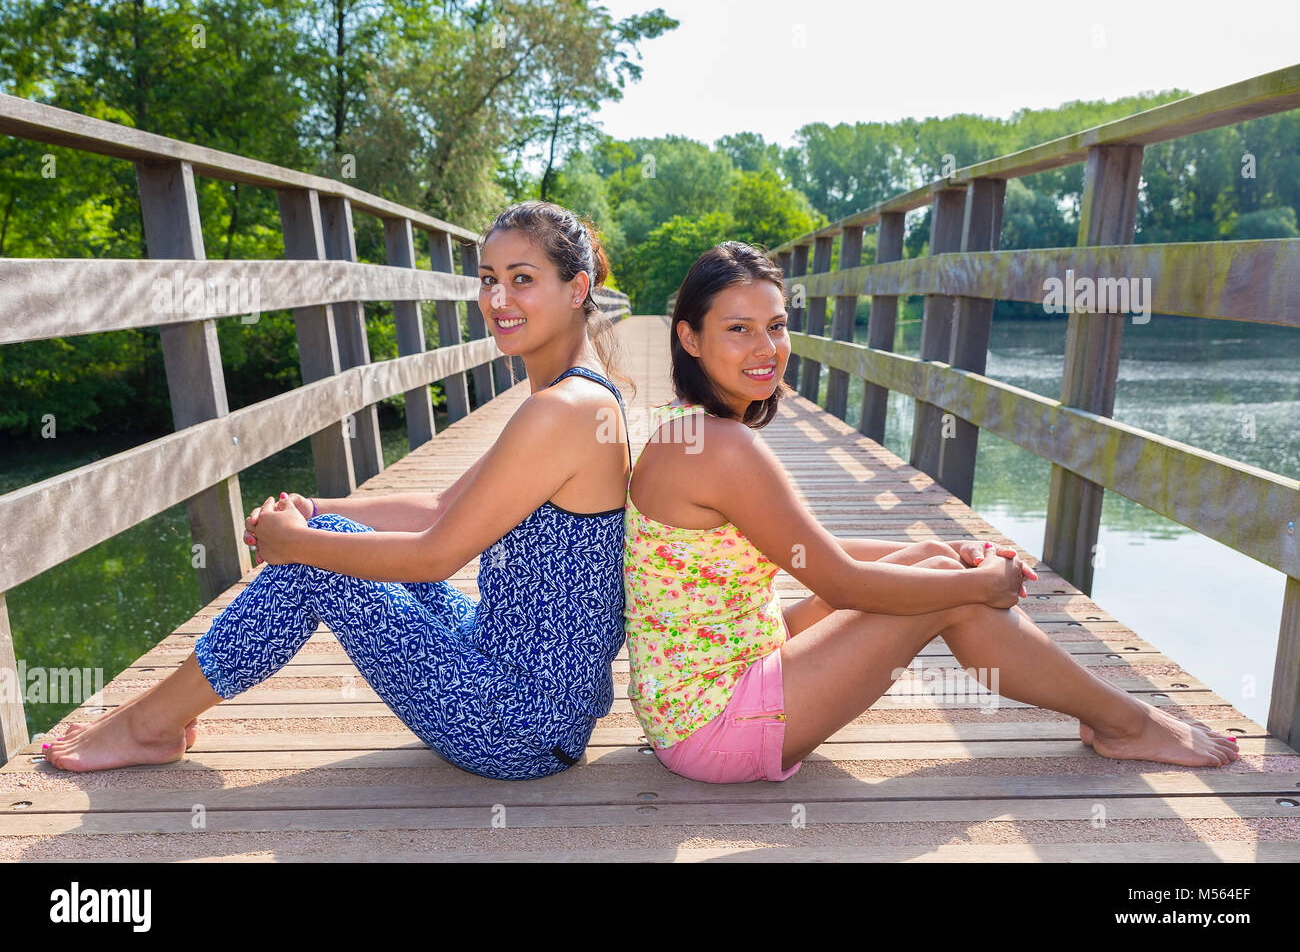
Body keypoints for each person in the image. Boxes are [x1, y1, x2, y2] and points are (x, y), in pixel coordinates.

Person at [46, 200, 634, 780]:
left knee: (313, 558)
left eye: (522, 280)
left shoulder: (563, 411)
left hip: (514, 723)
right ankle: (153, 717)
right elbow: (437, 508)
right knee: (322, 535)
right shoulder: (570, 399)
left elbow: (434, 556)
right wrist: (316, 509)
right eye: (488, 280)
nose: (498, 300)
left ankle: (149, 726)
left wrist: (297, 543)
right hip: (523, 686)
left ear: (577, 288)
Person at [623, 240, 1240, 784]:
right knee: (953, 594)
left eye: (777, 325)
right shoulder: (725, 448)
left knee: (932, 562)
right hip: (715, 724)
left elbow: (811, 549)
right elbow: (837, 579)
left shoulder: (691, 431)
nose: (767, 348)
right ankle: (1126, 722)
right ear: (689, 337)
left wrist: (950, 558)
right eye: (739, 329)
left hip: (699, 692)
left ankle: (1113, 717)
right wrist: (978, 583)